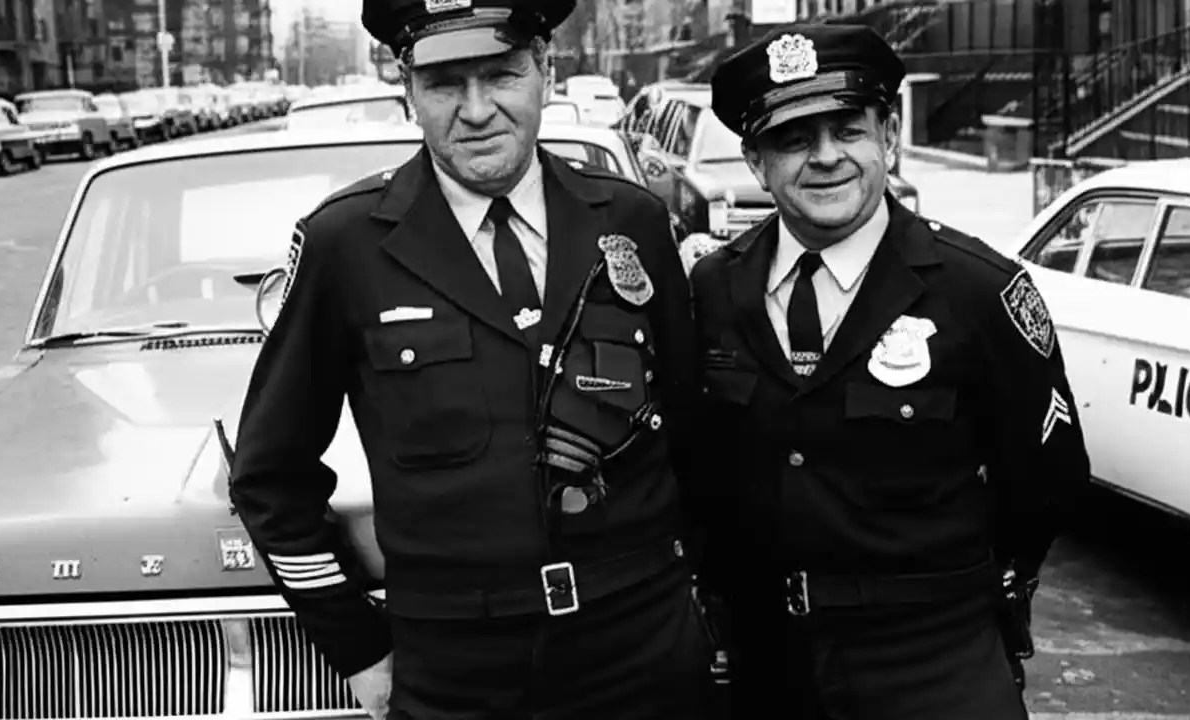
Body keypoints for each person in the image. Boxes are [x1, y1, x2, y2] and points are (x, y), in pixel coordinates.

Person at [227, 1, 712, 718]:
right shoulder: (347, 243)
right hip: (457, 668)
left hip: (643, 647)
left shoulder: (629, 220)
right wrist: (356, 647)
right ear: (408, 89)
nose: (477, 109)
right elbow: (270, 477)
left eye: (502, 74)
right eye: (446, 83)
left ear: (546, 70)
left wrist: (702, 599)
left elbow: (698, 439)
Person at [689, 23, 1092, 720]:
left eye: (848, 130)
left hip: (934, 659)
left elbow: (1047, 480)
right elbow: (698, 468)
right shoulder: (715, 289)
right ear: (756, 162)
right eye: (793, 140)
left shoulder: (978, 290)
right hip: (769, 663)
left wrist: (969, 587)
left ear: (890, 137)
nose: (825, 159)